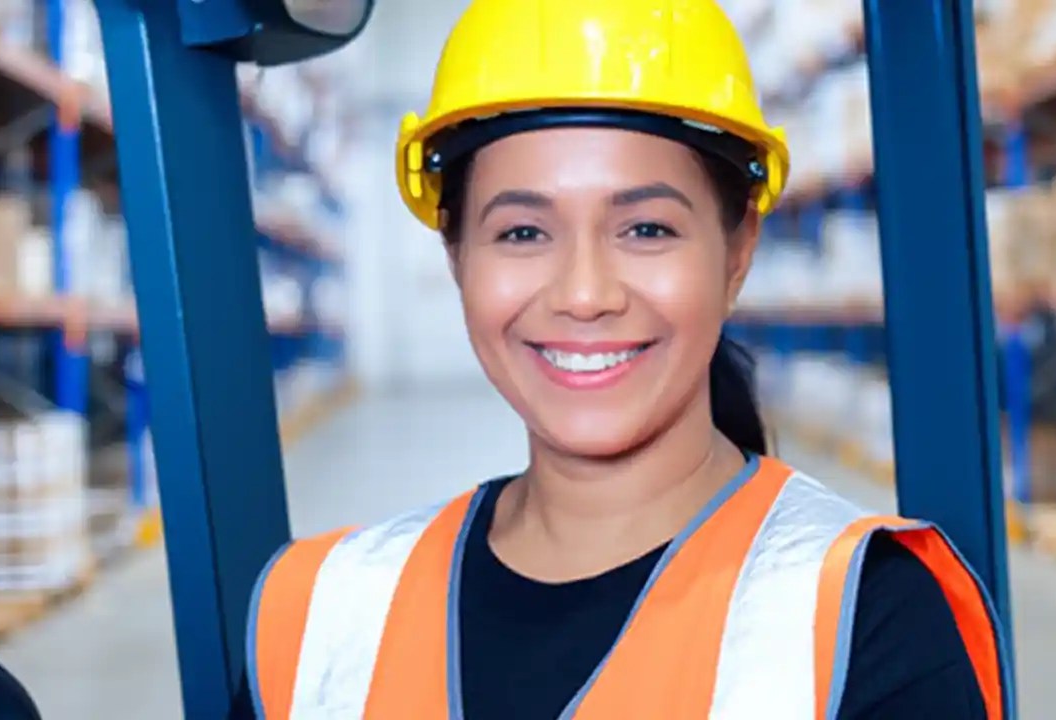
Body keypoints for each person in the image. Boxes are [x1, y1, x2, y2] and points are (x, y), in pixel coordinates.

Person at [245, 1, 1011, 718]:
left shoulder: (866, 623)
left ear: (737, 250)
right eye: (521, 232)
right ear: (456, 256)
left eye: (645, 229)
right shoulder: (317, 617)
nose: (584, 294)